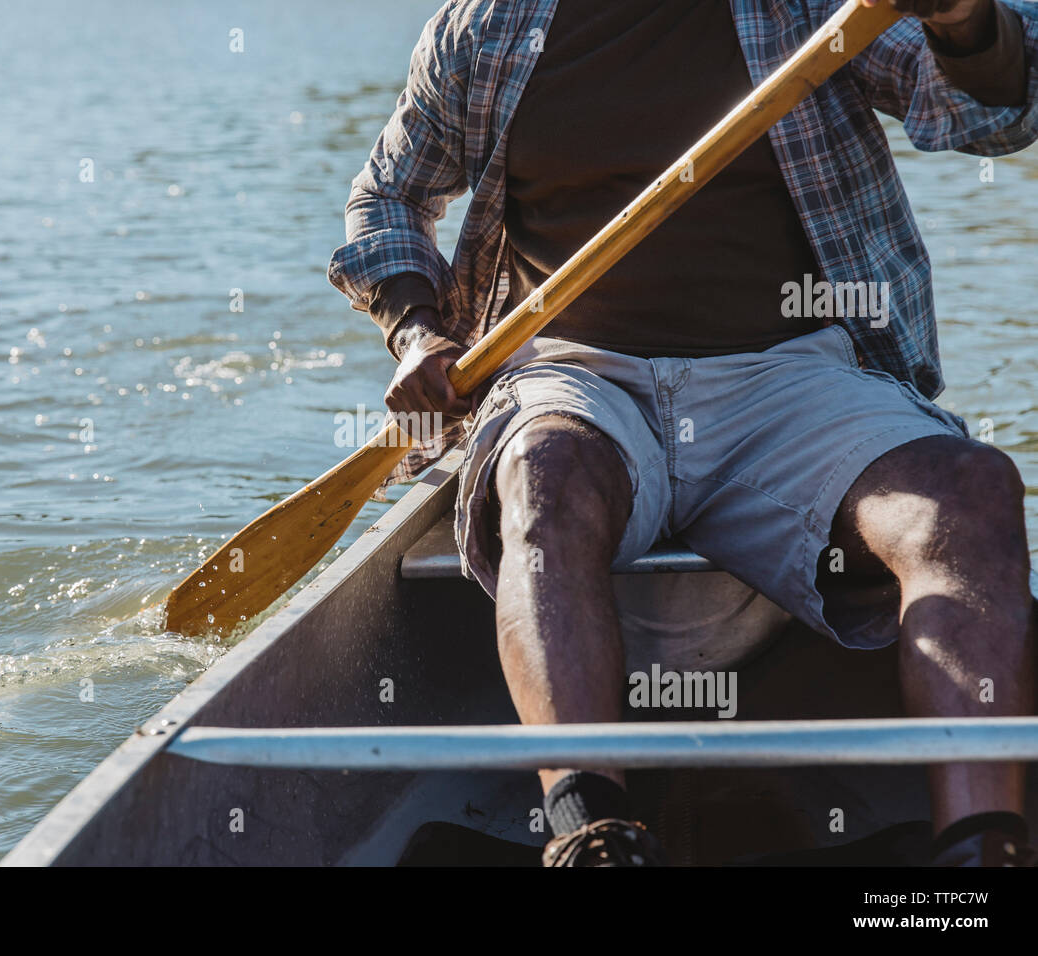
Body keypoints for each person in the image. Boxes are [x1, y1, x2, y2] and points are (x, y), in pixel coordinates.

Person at [328, 0, 1038, 866]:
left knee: (970, 490)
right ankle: (591, 834)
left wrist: (962, 19)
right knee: (545, 480)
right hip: (577, 373)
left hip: (787, 375)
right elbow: (389, 198)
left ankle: (980, 854)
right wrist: (416, 331)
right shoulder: (488, 24)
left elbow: (993, 114)